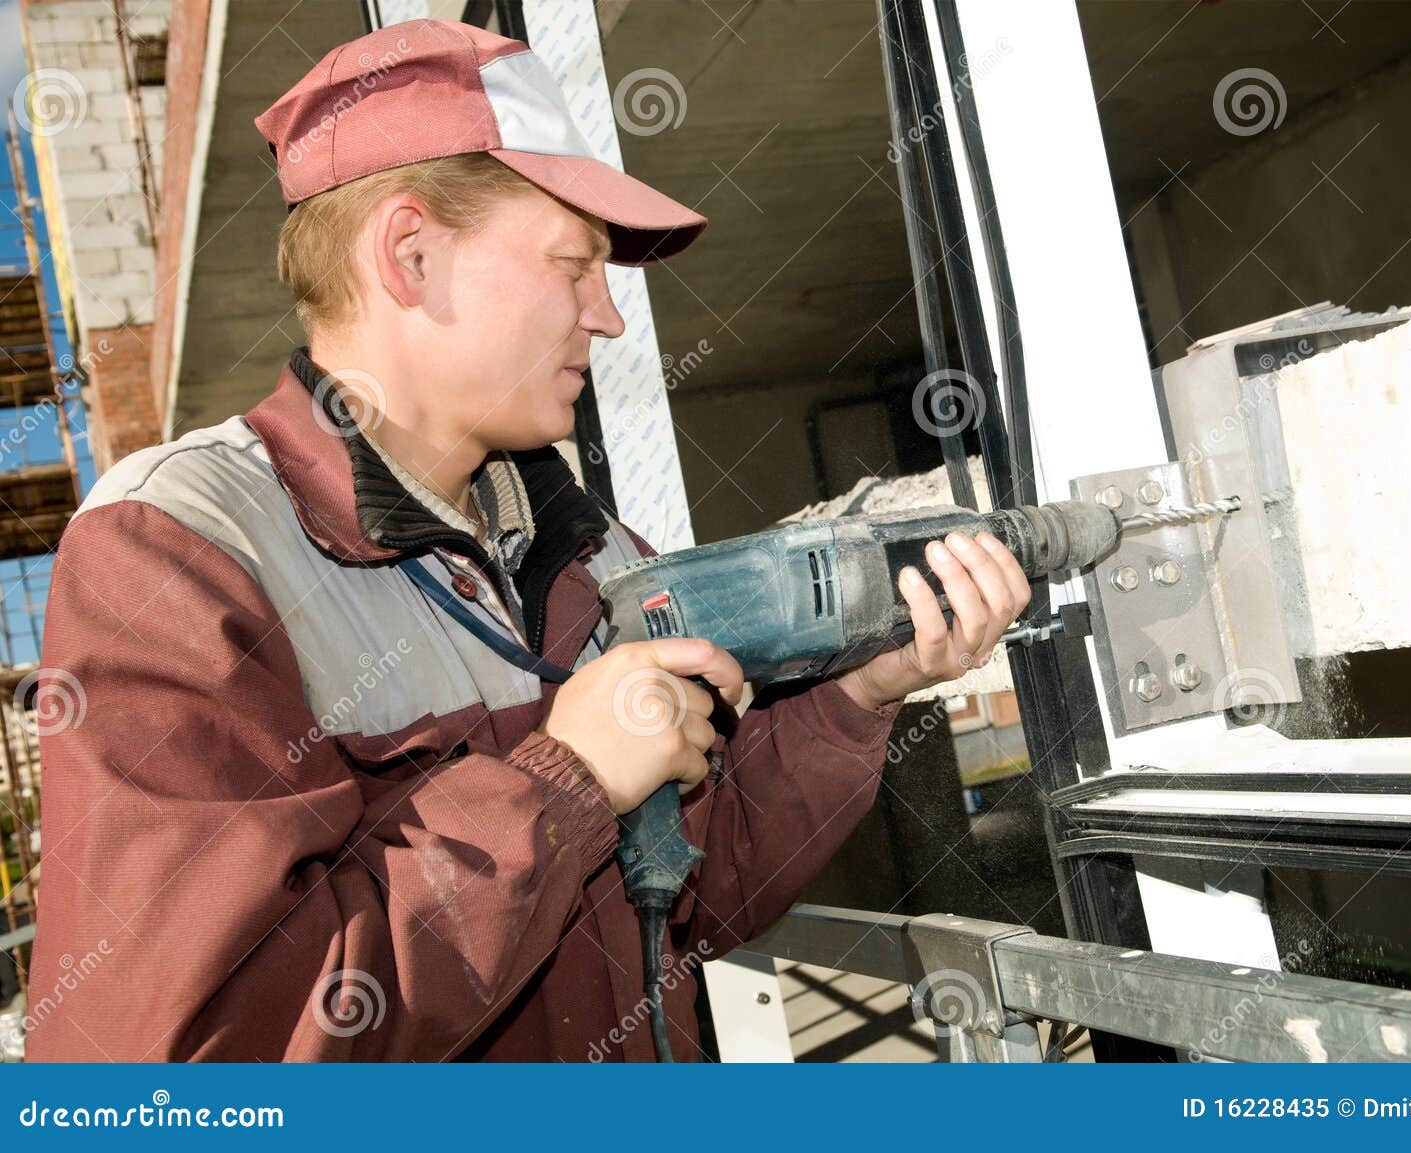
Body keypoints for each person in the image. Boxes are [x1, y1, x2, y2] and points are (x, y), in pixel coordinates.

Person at [26, 18, 1030, 1062]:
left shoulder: (592, 550)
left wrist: (859, 695)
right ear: (411, 256)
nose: (610, 318)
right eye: (574, 264)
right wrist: (567, 782)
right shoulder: (181, 549)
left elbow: (692, 902)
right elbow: (202, 1055)